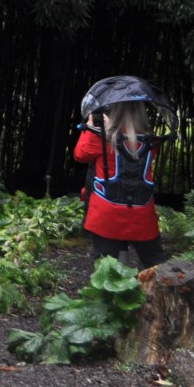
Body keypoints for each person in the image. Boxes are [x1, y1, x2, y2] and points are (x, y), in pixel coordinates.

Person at [74, 100, 168, 268]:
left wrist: (91, 128)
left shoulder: (102, 138)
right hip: (142, 213)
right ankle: (165, 293)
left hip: (106, 212)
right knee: (155, 264)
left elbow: (80, 155)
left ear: (114, 112)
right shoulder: (152, 142)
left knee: (106, 270)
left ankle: (111, 294)